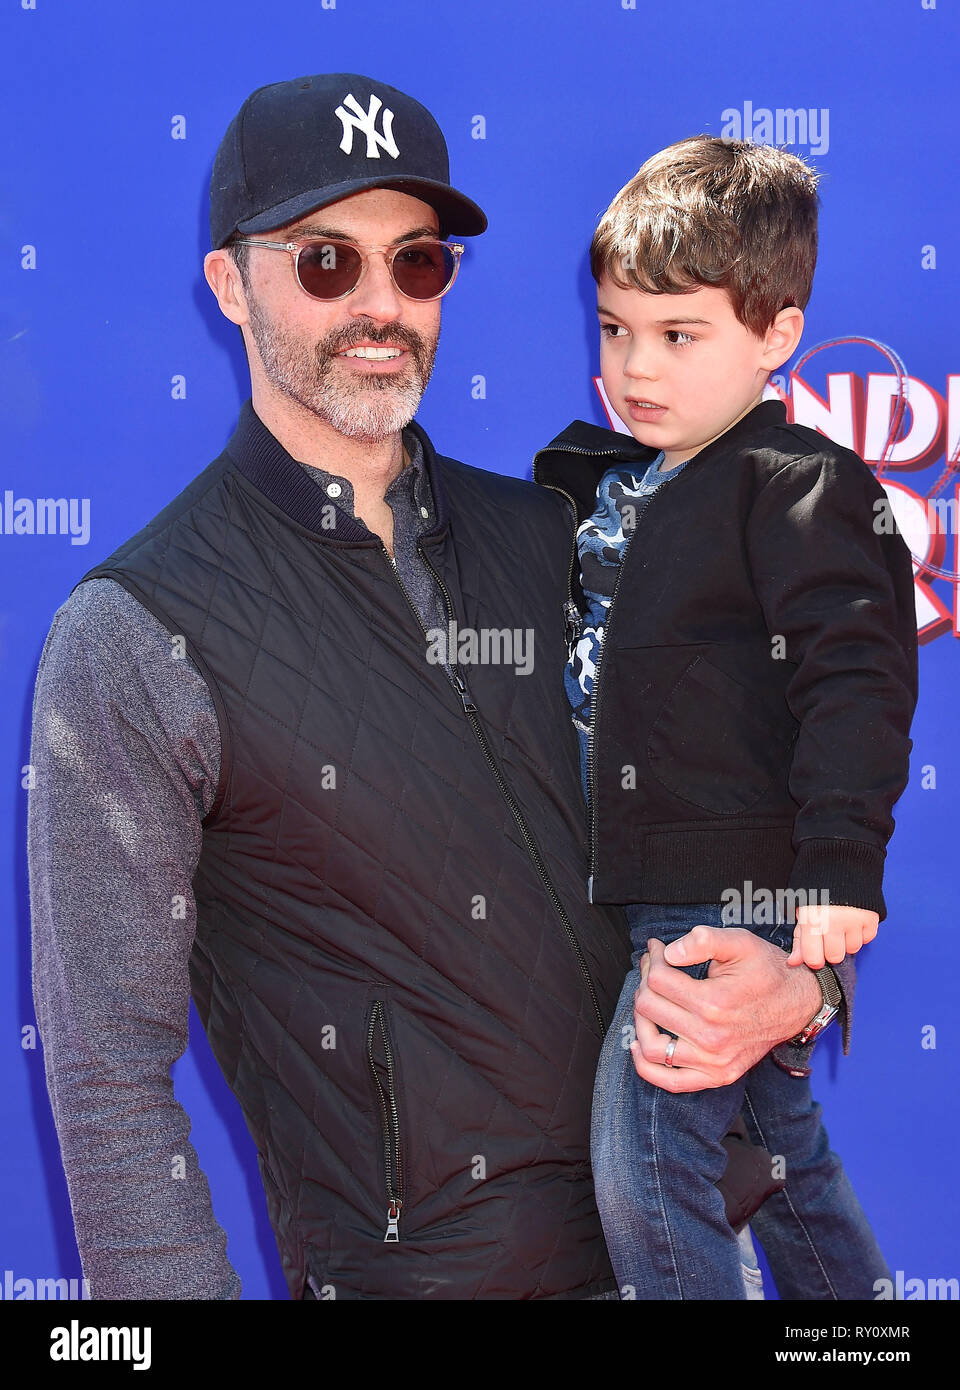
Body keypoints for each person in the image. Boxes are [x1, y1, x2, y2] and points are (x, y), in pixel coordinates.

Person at [28, 79, 837, 1301]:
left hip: (683, 1250)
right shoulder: (137, 632)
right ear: (230, 285)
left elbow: (730, 793)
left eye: (417, 262)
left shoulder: (559, 535)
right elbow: (108, 1079)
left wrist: (806, 979)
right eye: (322, 260)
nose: (377, 304)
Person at [534, 135, 919, 1300]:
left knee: (646, 1168)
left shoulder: (798, 483)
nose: (634, 366)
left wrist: (842, 867)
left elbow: (857, 674)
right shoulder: (595, 482)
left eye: (678, 334)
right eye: (614, 328)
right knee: (785, 1160)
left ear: (779, 335)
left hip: (727, 895)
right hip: (627, 887)